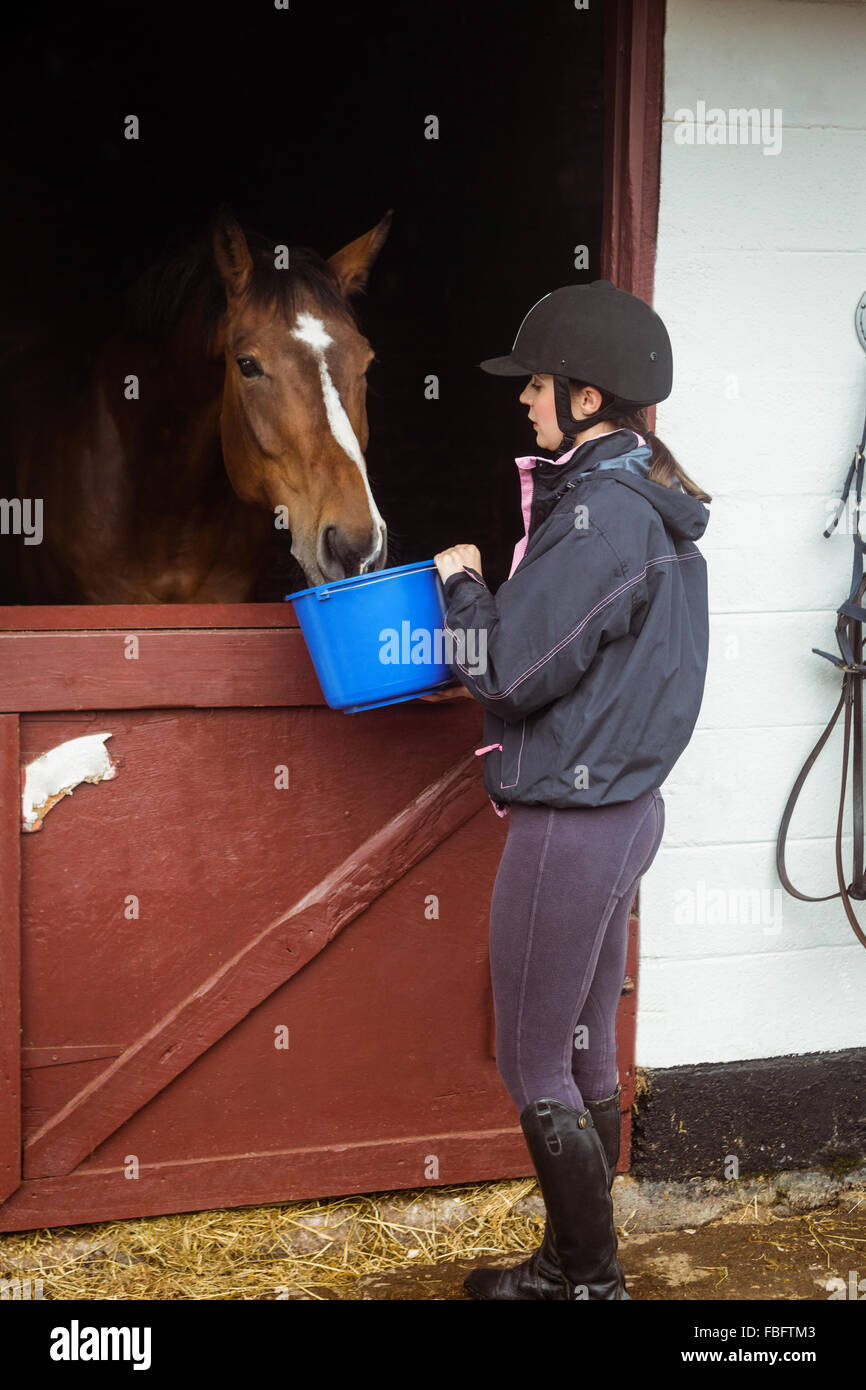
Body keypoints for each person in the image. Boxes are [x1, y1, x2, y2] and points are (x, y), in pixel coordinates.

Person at [428, 280, 711, 1300]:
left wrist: (461, 584)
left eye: (536, 384)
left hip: (570, 826)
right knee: (588, 1050)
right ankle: (584, 1266)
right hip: (625, 815)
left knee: (530, 1060)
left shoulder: (599, 513)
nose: (524, 399)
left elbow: (505, 669)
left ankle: (581, 1279)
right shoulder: (648, 505)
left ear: (585, 400)